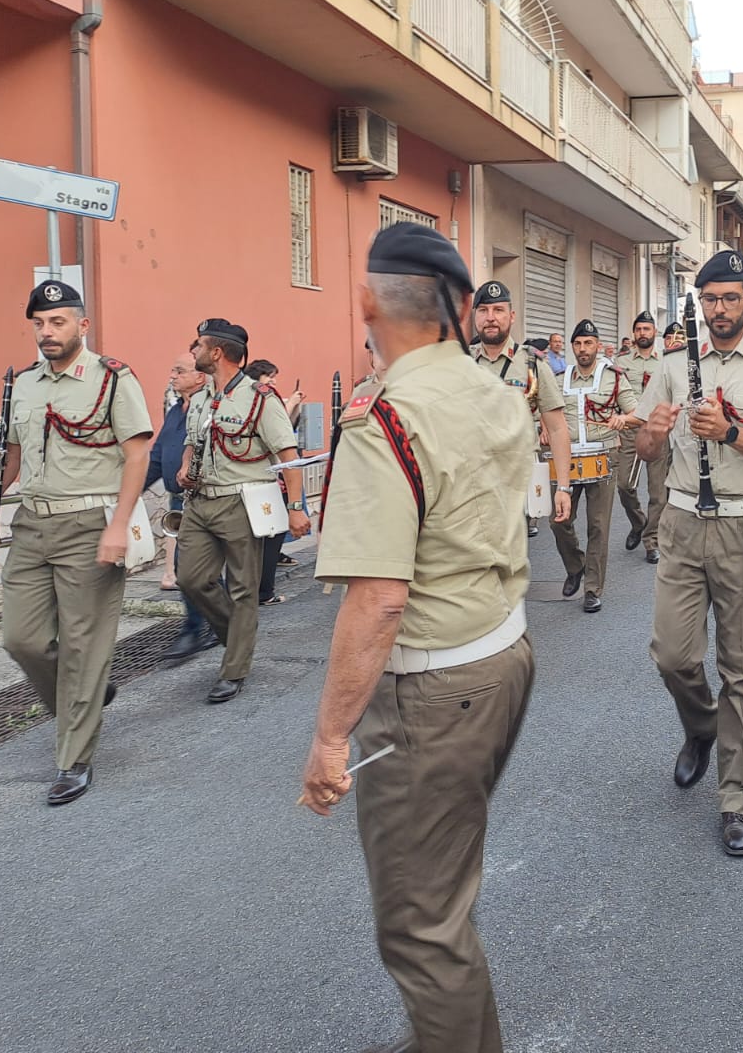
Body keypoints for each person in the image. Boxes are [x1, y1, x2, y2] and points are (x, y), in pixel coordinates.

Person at [299, 222, 535, 1053]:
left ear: (367, 300)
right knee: (445, 889)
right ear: (461, 309)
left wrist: (330, 738)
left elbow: (378, 599)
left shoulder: (383, 419)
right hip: (502, 653)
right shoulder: (498, 392)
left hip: (433, 690)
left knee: (419, 926)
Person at [634, 251, 743, 856]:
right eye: (710, 299)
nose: (720, 310)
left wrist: (731, 434)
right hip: (683, 520)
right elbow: (648, 450)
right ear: (700, 302)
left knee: (742, 669)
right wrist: (651, 435)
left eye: (731, 298)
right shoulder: (672, 364)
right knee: (672, 654)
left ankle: (737, 800)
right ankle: (700, 725)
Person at [0, 282, 152, 804]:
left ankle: (74, 760)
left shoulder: (113, 380)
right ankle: (88, 697)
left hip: (89, 523)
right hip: (32, 522)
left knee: (82, 645)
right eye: (39, 325)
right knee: (20, 639)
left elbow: (137, 455)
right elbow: (10, 452)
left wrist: (119, 526)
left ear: (82, 326)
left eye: (57, 323)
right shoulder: (23, 383)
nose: (46, 333)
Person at [175, 318, 310, 704]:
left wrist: (296, 509)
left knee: (243, 588)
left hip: (241, 500)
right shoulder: (200, 397)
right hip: (200, 501)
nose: (193, 351)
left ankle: (233, 669)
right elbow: (192, 442)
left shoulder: (260, 399)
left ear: (217, 352)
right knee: (190, 579)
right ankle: (236, 635)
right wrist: (185, 465)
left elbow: (288, 455)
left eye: (197, 345)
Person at [469, 280, 571, 538]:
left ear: (511, 316)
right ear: (475, 317)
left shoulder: (531, 365)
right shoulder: (461, 363)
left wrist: (563, 487)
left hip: (516, 483)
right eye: (483, 311)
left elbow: (558, 429)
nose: (490, 318)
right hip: (469, 485)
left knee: (507, 564)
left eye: (498, 310)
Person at [552, 319, 640, 613]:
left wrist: (623, 419)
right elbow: (546, 414)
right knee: (558, 520)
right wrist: (542, 426)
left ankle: (592, 589)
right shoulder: (559, 378)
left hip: (603, 457)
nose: (583, 349)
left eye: (588, 343)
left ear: (597, 345)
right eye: (577, 343)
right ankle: (575, 565)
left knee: (598, 526)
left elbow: (638, 413)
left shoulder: (613, 377)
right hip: (568, 460)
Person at [146, 352, 217, 661]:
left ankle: (198, 628)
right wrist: (131, 490)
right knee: (191, 569)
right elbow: (159, 454)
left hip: (205, 500)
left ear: (199, 377)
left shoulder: (211, 408)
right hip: (179, 501)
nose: (172, 376)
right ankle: (208, 624)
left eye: (179, 371)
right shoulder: (176, 410)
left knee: (194, 569)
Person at [246, 358, 302, 606]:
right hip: (267, 480)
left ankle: (256, 590)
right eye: (270, 376)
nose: (274, 381)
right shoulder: (262, 400)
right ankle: (263, 591)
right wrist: (289, 404)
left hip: (266, 480)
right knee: (271, 536)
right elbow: (280, 436)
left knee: (265, 539)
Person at [614, 310, 666, 564]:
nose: (642, 333)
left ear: (654, 332)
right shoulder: (621, 363)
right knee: (624, 485)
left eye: (647, 329)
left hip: (657, 429)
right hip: (630, 428)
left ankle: (651, 540)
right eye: (639, 329)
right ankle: (638, 522)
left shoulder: (666, 362)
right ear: (633, 333)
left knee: (658, 492)